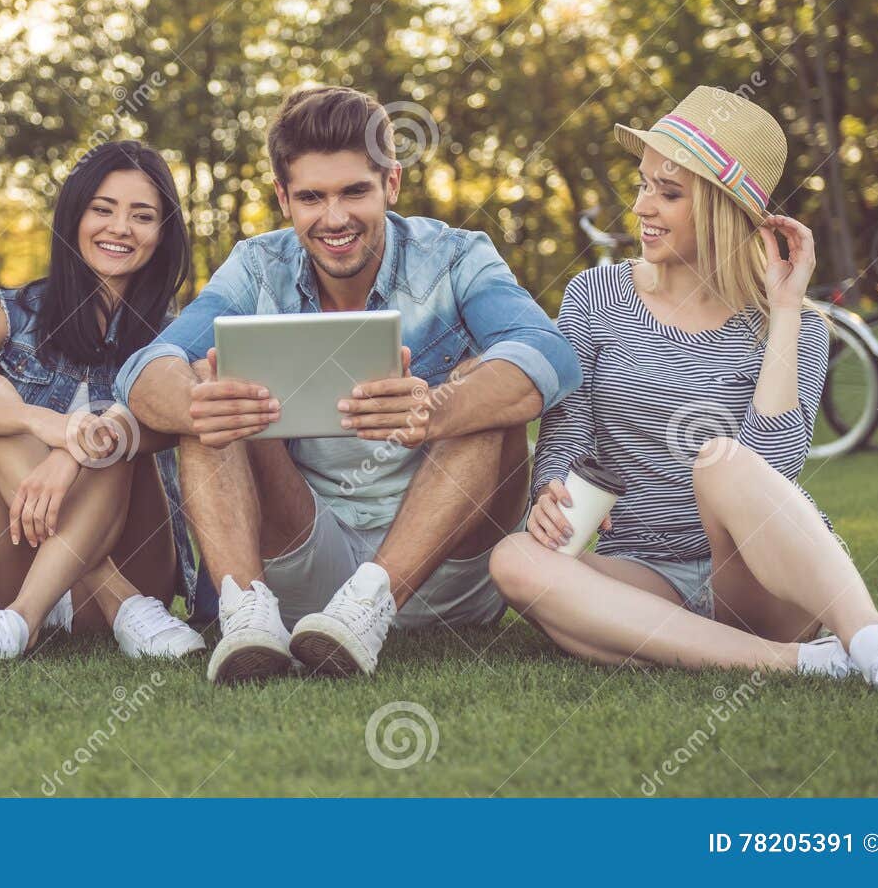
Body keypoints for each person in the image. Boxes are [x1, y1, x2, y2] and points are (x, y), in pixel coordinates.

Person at [489, 86, 878, 701]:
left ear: (724, 209)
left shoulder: (795, 324)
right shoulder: (595, 296)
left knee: (722, 460)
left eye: (669, 193)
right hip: (642, 573)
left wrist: (782, 311)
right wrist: (548, 494)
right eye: (642, 184)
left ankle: (874, 642)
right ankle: (807, 662)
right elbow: (568, 433)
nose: (643, 206)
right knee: (513, 560)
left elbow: (773, 472)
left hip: (761, 584)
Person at [116, 85, 583, 683]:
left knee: (483, 384)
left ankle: (371, 604)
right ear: (284, 198)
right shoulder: (259, 266)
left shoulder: (456, 257)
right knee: (206, 388)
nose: (334, 219)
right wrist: (194, 403)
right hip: (306, 560)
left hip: (448, 566)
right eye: (311, 197)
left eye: (354, 192)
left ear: (390, 184)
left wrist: (436, 411)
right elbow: (148, 367)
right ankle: (247, 616)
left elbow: (548, 351)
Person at [0, 140, 206, 662]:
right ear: (75, 216)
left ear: (163, 233)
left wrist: (74, 448)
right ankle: (92, 605)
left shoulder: (177, 334)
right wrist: (44, 424)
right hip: (9, 556)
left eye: (141, 216)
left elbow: (174, 425)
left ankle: (23, 623)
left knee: (115, 427)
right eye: (103, 209)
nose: (120, 228)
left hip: (128, 555)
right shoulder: (5, 311)